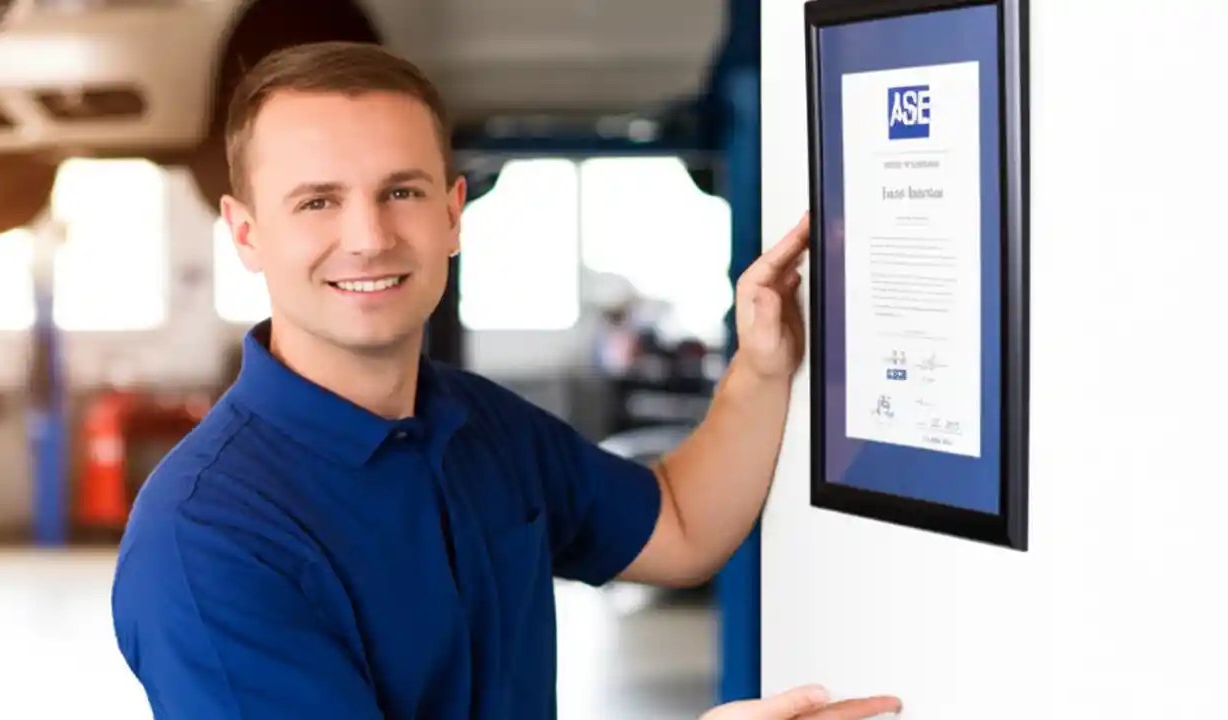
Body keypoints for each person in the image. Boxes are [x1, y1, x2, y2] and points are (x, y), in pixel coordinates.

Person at [110, 41, 902, 720]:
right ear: (246, 234)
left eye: (402, 192)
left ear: (453, 213)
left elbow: (681, 525)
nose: (369, 237)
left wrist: (765, 363)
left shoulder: (478, 425)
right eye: (318, 201)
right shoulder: (208, 539)